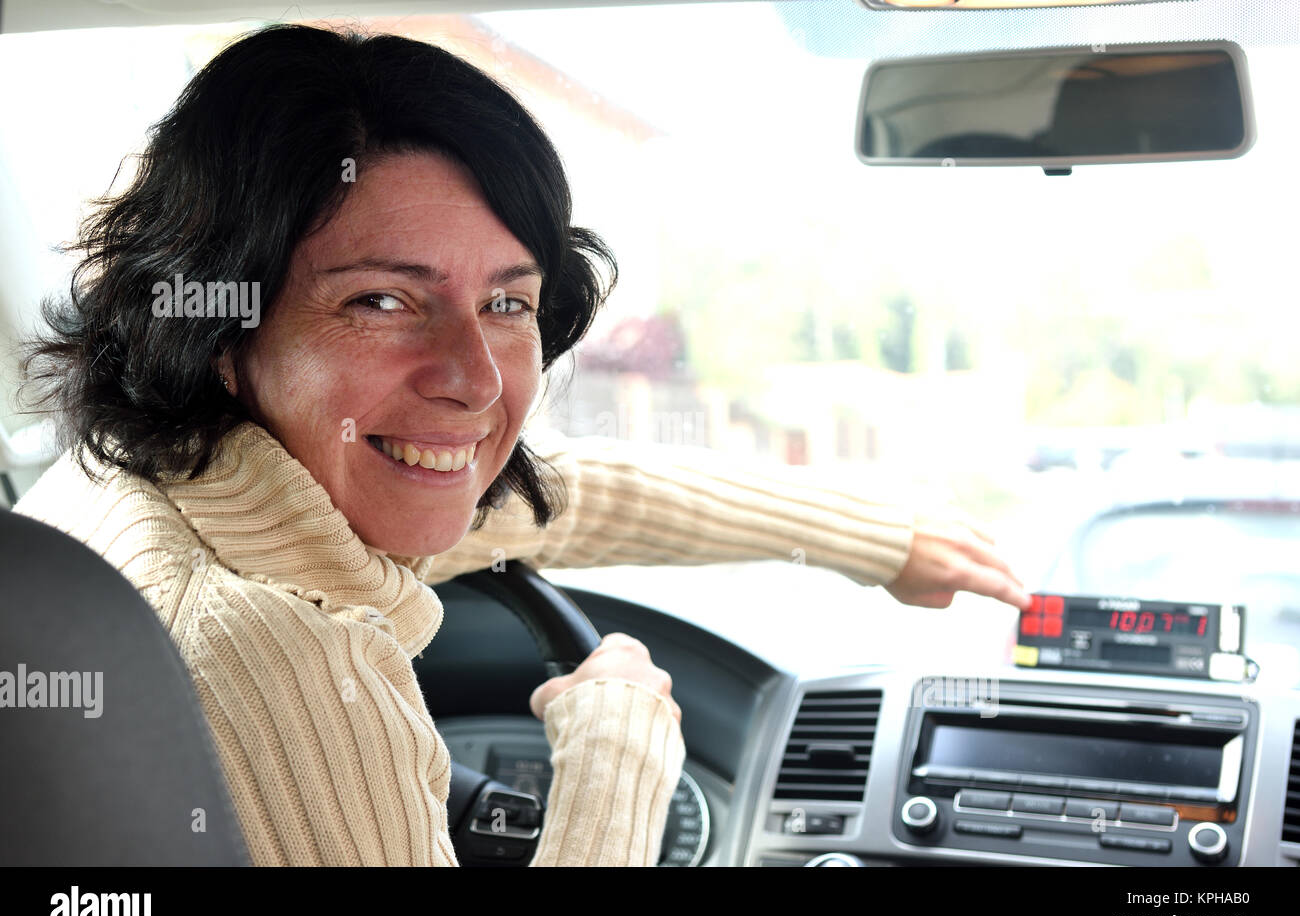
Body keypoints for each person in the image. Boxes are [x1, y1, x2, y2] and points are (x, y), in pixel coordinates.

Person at [14, 23, 1029, 866]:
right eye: (379, 299)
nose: (477, 377)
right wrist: (617, 759)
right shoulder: (286, 648)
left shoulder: (159, 481)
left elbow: (552, 496)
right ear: (218, 330)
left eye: (507, 301)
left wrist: (880, 539)